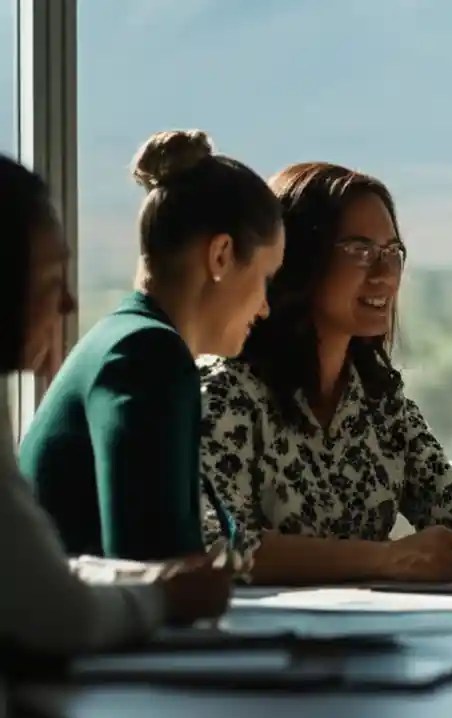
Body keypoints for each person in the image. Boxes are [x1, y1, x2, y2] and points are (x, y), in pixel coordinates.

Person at [199, 161, 452, 584]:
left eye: (392, 253)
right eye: (360, 250)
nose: (385, 274)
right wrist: (386, 558)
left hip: (365, 641)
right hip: (255, 643)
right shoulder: (226, 392)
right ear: (295, 259)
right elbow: (222, 546)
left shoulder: (380, 402)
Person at [0, 154, 229, 657]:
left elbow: (24, 572)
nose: (67, 305)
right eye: (46, 278)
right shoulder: (147, 350)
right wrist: (162, 596)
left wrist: (138, 580)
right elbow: (54, 612)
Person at [19, 130, 285, 561]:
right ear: (220, 255)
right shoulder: (148, 355)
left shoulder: (126, 338)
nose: (266, 308)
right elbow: (155, 573)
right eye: (265, 278)